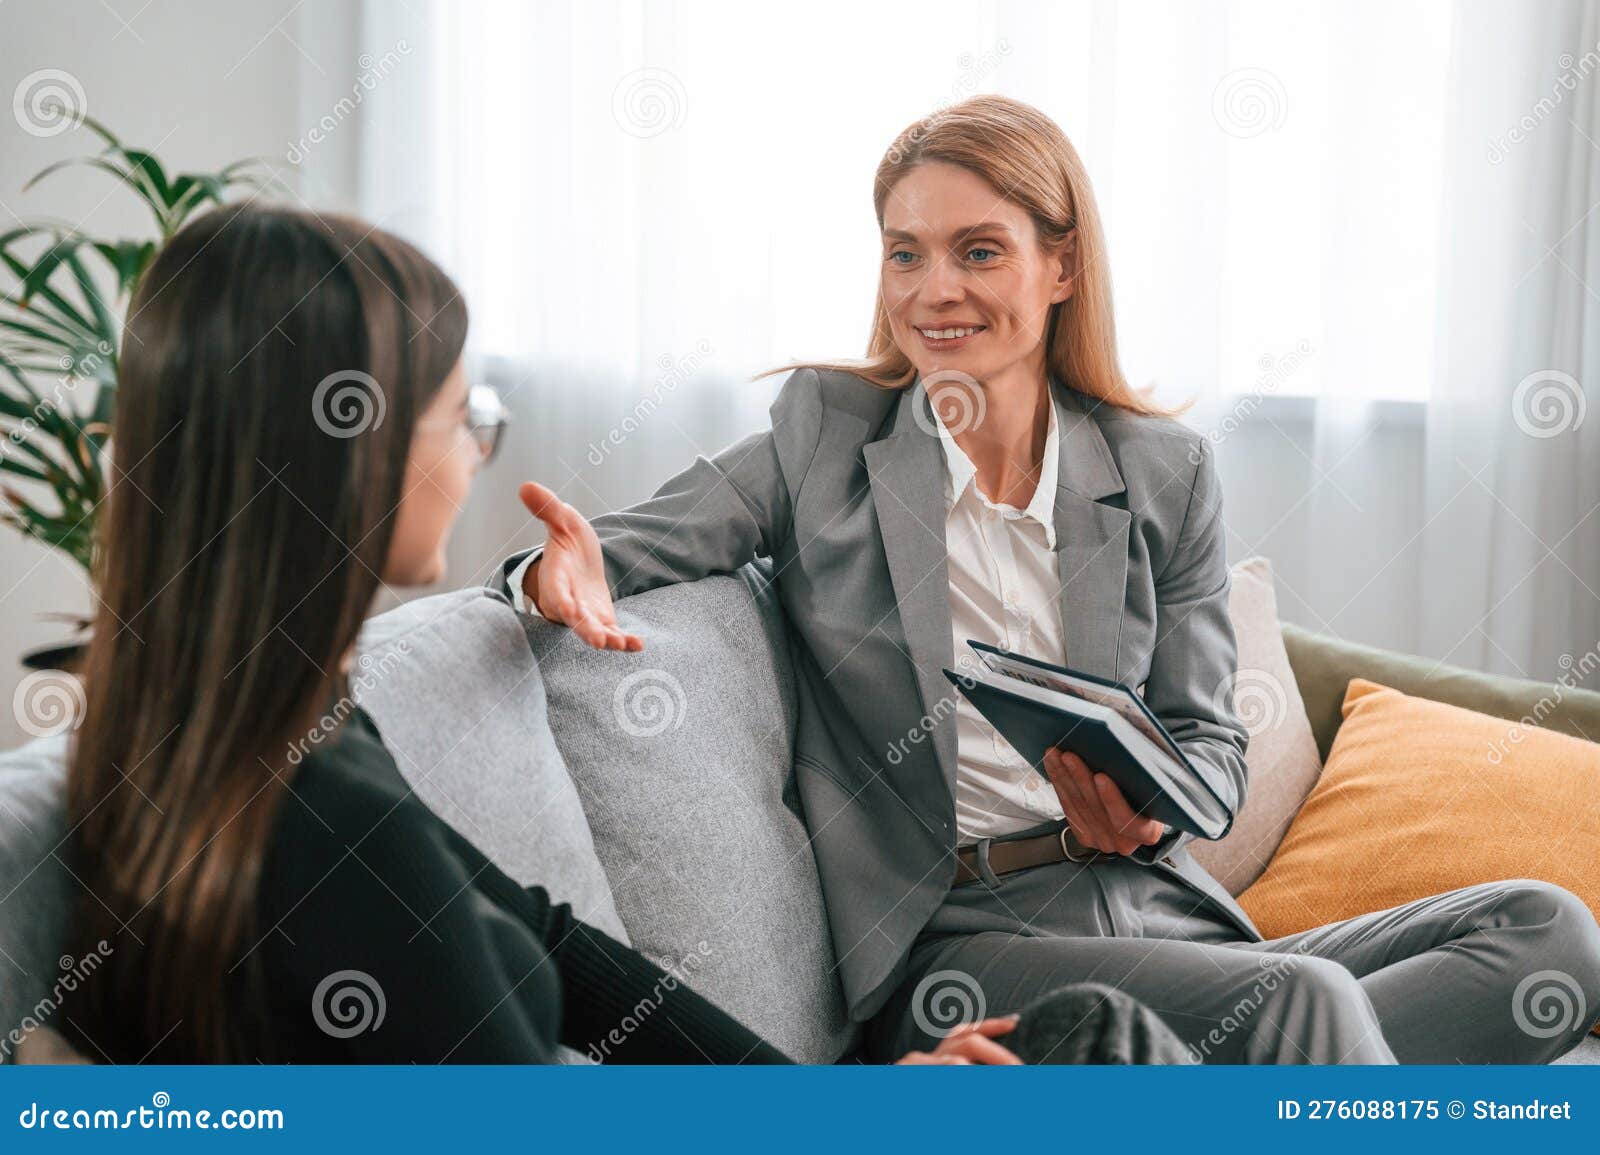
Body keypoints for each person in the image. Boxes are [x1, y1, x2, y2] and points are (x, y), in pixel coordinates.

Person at [506, 95, 1600, 1063]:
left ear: (1062, 266)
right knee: (1294, 1005)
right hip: (961, 942)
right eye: (905, 253)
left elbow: (1210, 742)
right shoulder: (824, 439)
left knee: (1545, 933)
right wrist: (551, 568)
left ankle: (1208, 1087)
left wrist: (1152, 814)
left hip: (1156, 906)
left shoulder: (1159, 470)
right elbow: (619, 546)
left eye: (978, 251)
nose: (933, 290)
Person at [58, 203, 1113, 1064]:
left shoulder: (266, 745)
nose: (480, 446)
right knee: (1095, 1044)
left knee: (1084, 1038)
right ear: (351, 446)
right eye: (461, 410)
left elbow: (552, 937)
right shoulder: (314, 820)